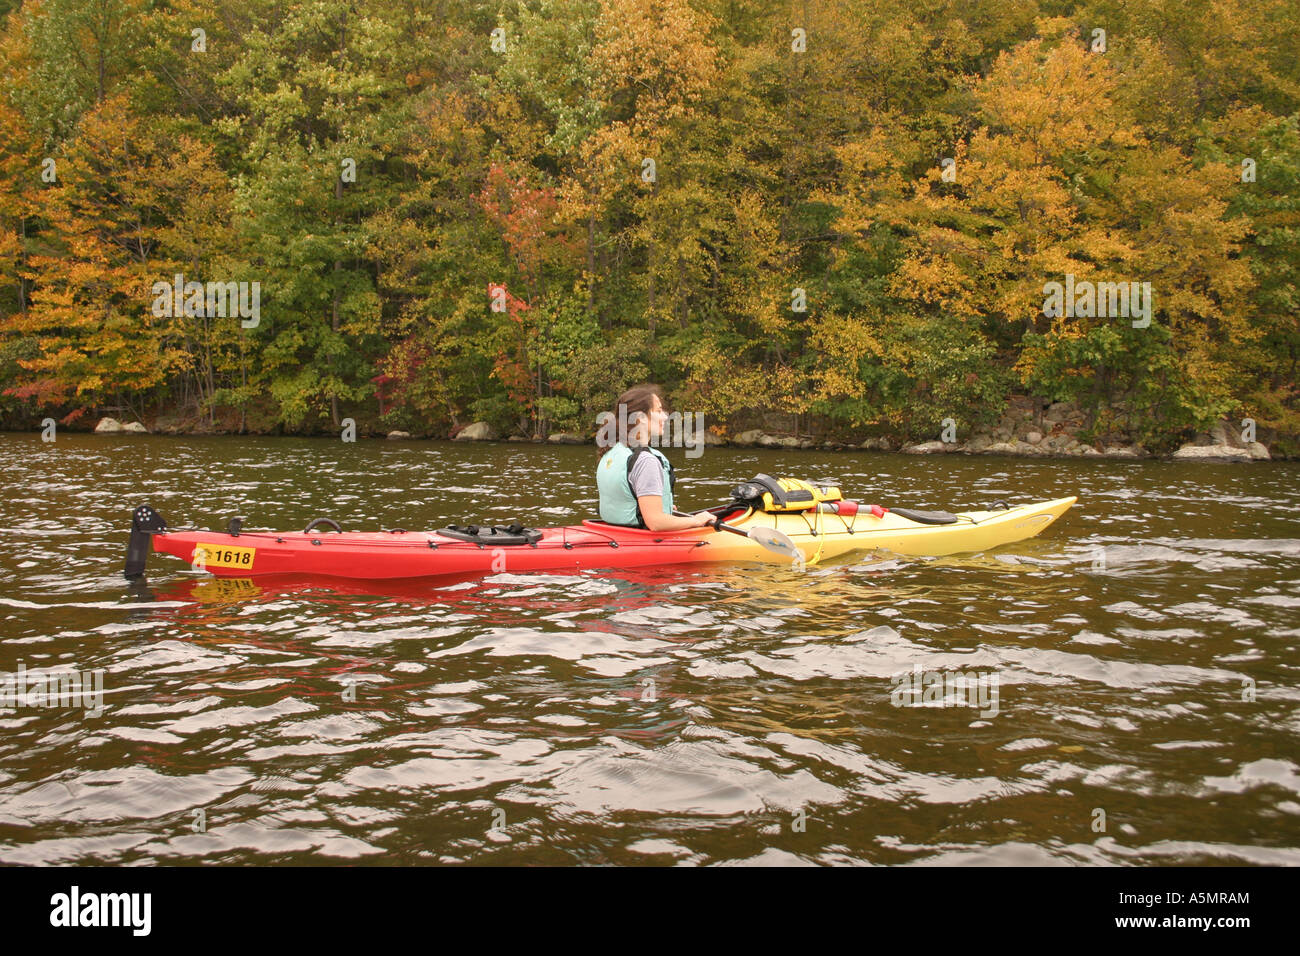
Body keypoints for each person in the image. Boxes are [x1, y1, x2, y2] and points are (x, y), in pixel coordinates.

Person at [595, 384, 716, 531]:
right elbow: (656, 523)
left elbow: (626, 497)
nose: (665, 416)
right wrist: (697, 520)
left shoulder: (612, 451)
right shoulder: (646, 461)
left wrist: (662, 506)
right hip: (640, 540)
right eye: (658, 411)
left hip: (616, 532)